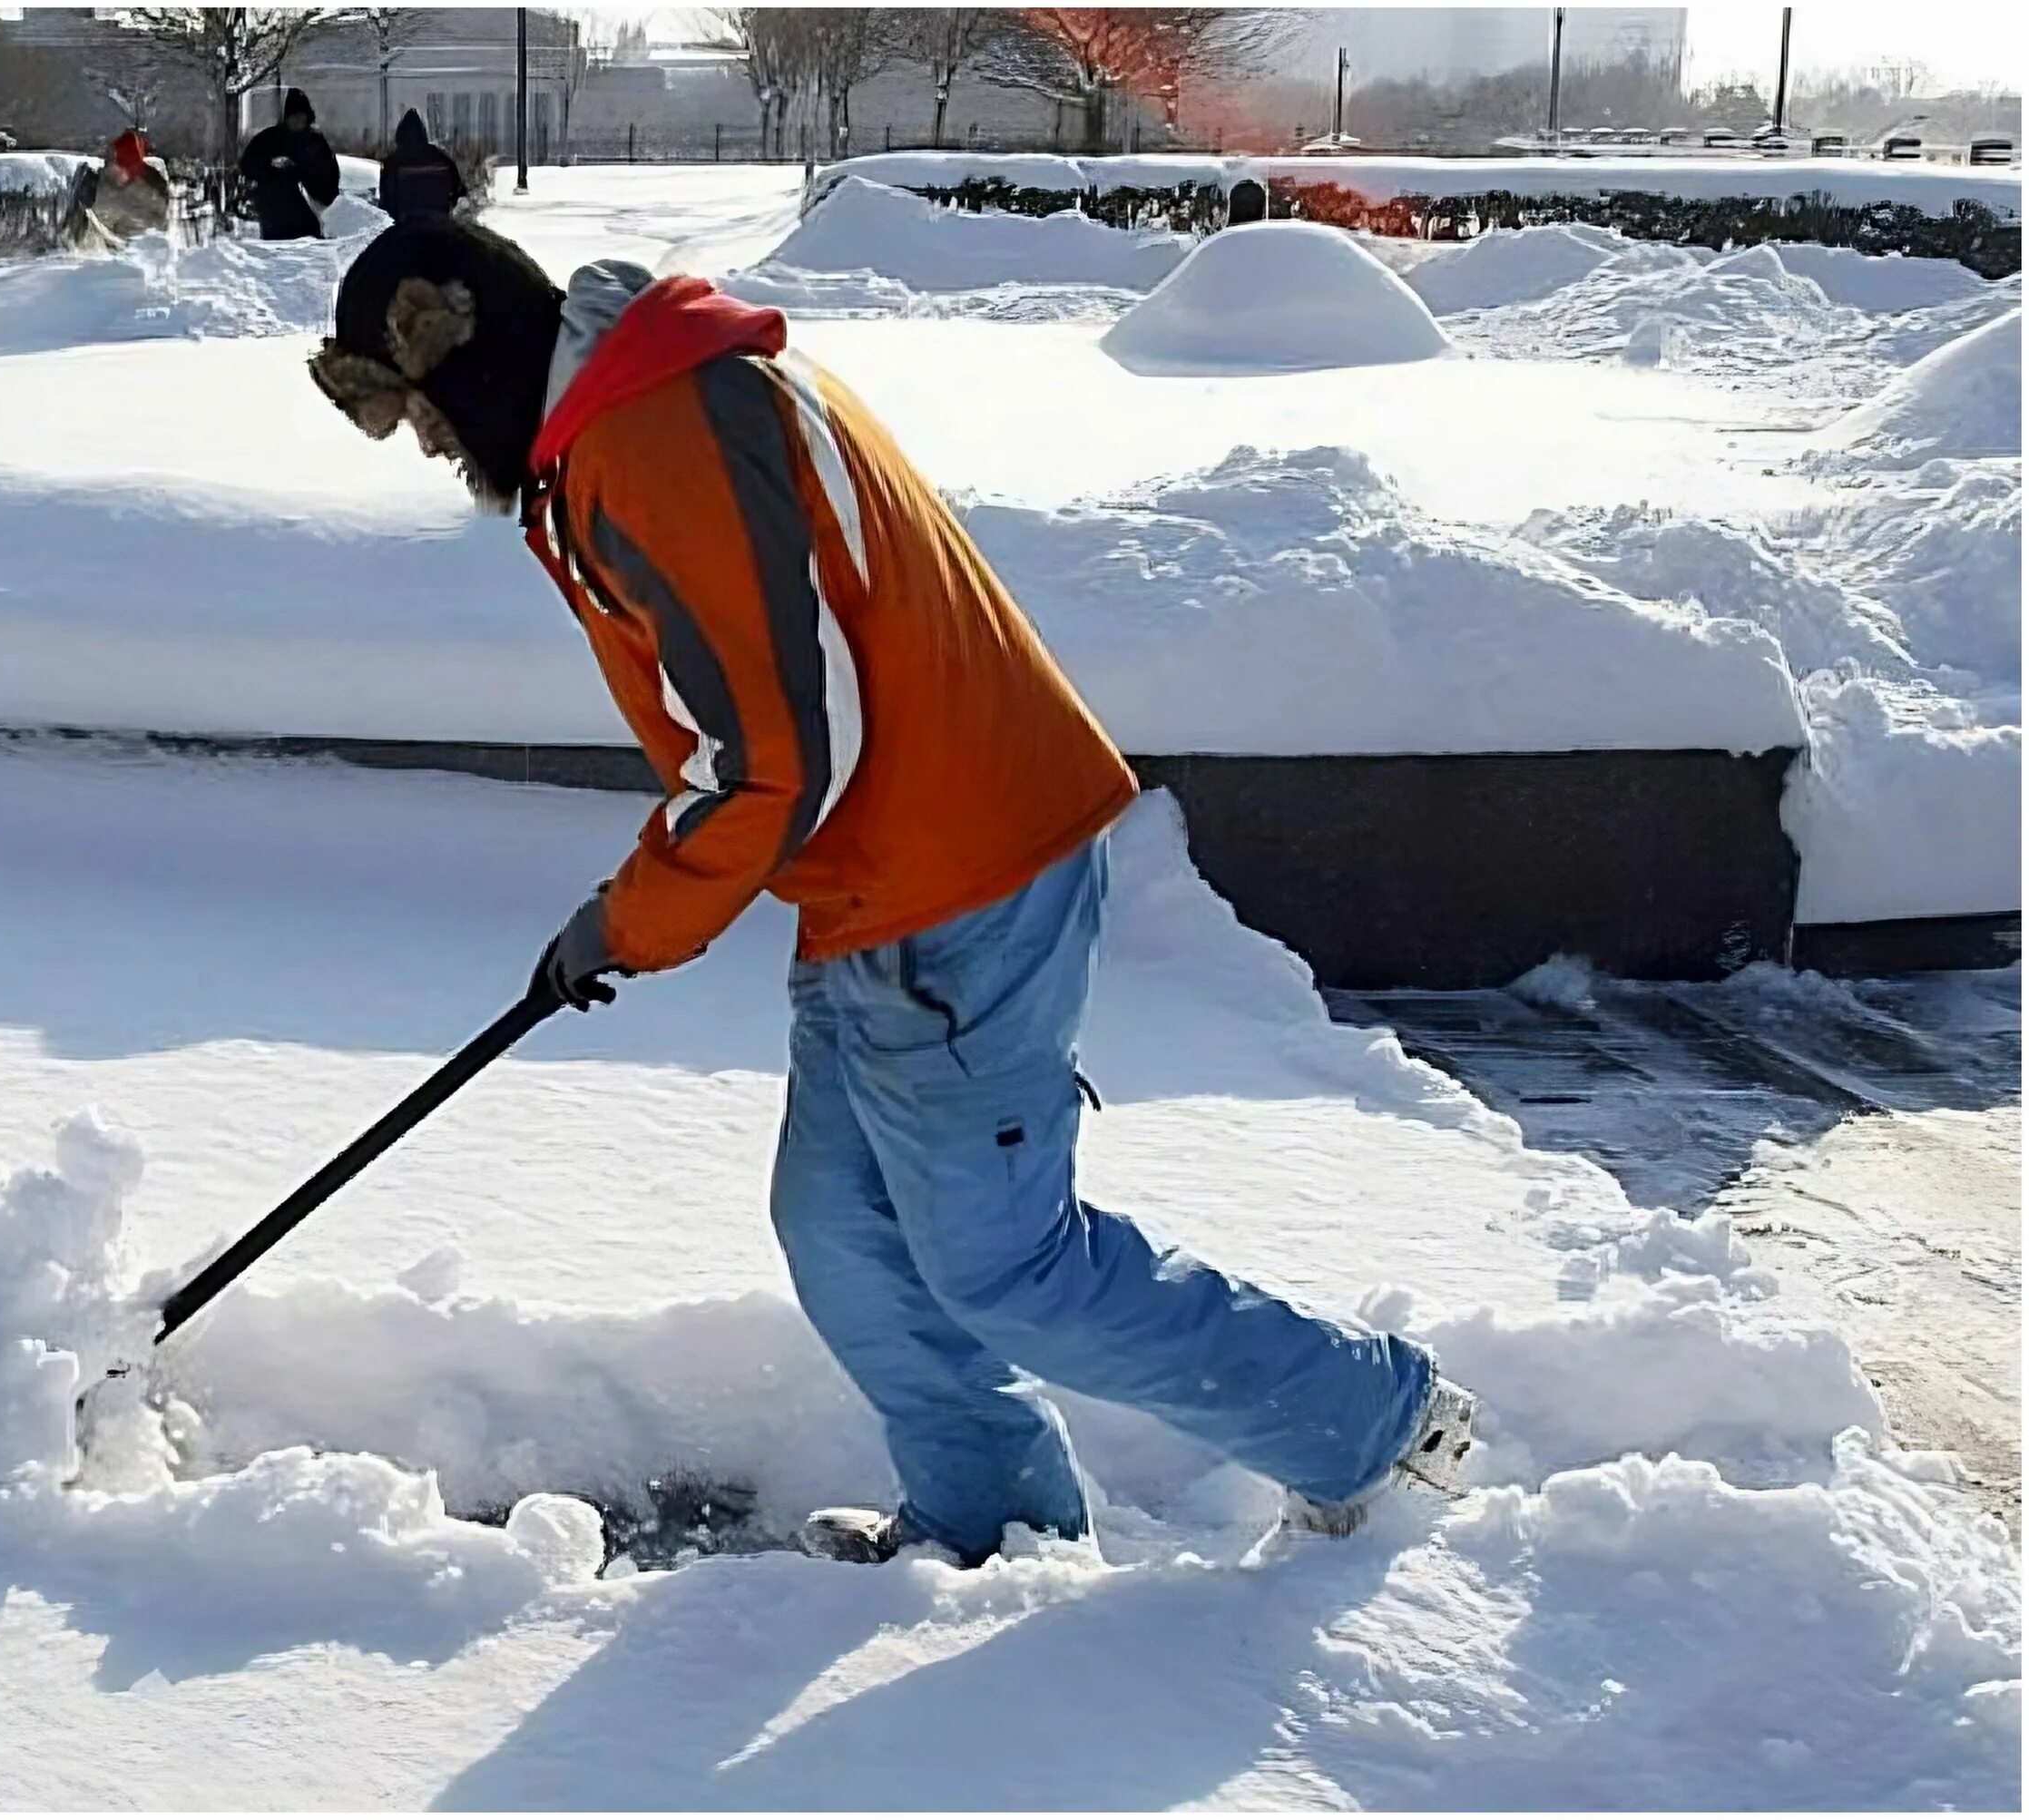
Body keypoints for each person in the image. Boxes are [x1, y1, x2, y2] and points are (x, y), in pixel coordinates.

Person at [305, 220, 1478, 1567]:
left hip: (960, 879)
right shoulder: (646, 406)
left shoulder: (658, 433)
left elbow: (766, 758)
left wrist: (628, 923)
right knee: (846, 1235)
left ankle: (1371, 1428)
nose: (431, 449)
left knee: (1009, 1267)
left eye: (420, 414)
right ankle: (994, 1526)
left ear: (469, 346)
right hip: (884, 883)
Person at [239, 88, 338, 241]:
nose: (297, 120)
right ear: (286, 118)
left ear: (308, 117)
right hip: (273, 213)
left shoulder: (315, 143)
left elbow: (328, 173)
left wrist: (299, 171)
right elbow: (249, 165)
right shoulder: (269, 139)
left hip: (307, 218)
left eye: (301, 115)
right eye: (293, 116)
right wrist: (271, 166)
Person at [64, 128, 172, 250]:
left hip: (141, 249)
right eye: (114, 165)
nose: (117, 172)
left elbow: (159, 222)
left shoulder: (147, 192)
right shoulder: (110, 181)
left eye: (120, 167)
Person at [377, 108, 466, 224]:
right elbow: (458, 190)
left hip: (405, 223)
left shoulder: (392, 163)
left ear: (400, 135)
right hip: (438, 222)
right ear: (423, 134)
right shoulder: (440, 158)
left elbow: (386, 199)